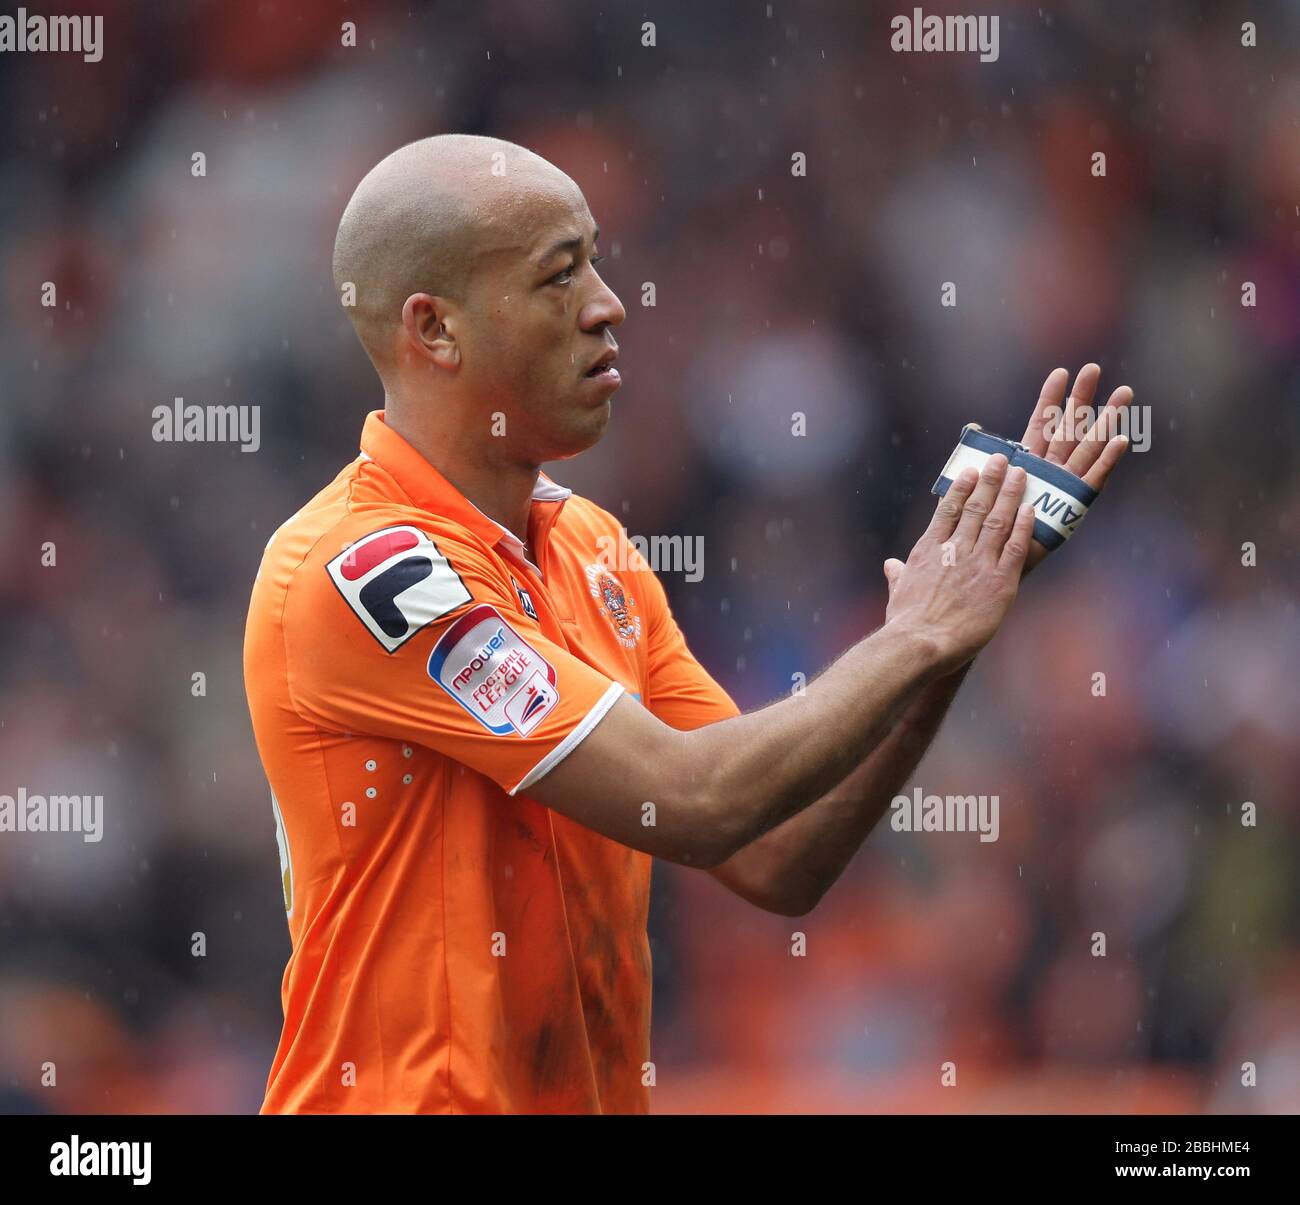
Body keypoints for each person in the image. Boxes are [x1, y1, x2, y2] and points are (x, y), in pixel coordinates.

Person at [243, 133, 1132, 1114]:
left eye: (595, 261)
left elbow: (777, 853)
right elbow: (694, 795)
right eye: (558, 275)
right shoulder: (363, 569)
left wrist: (954, 621)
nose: (607, 304)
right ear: (435, 329)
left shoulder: (595, 551)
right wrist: (914, 634)